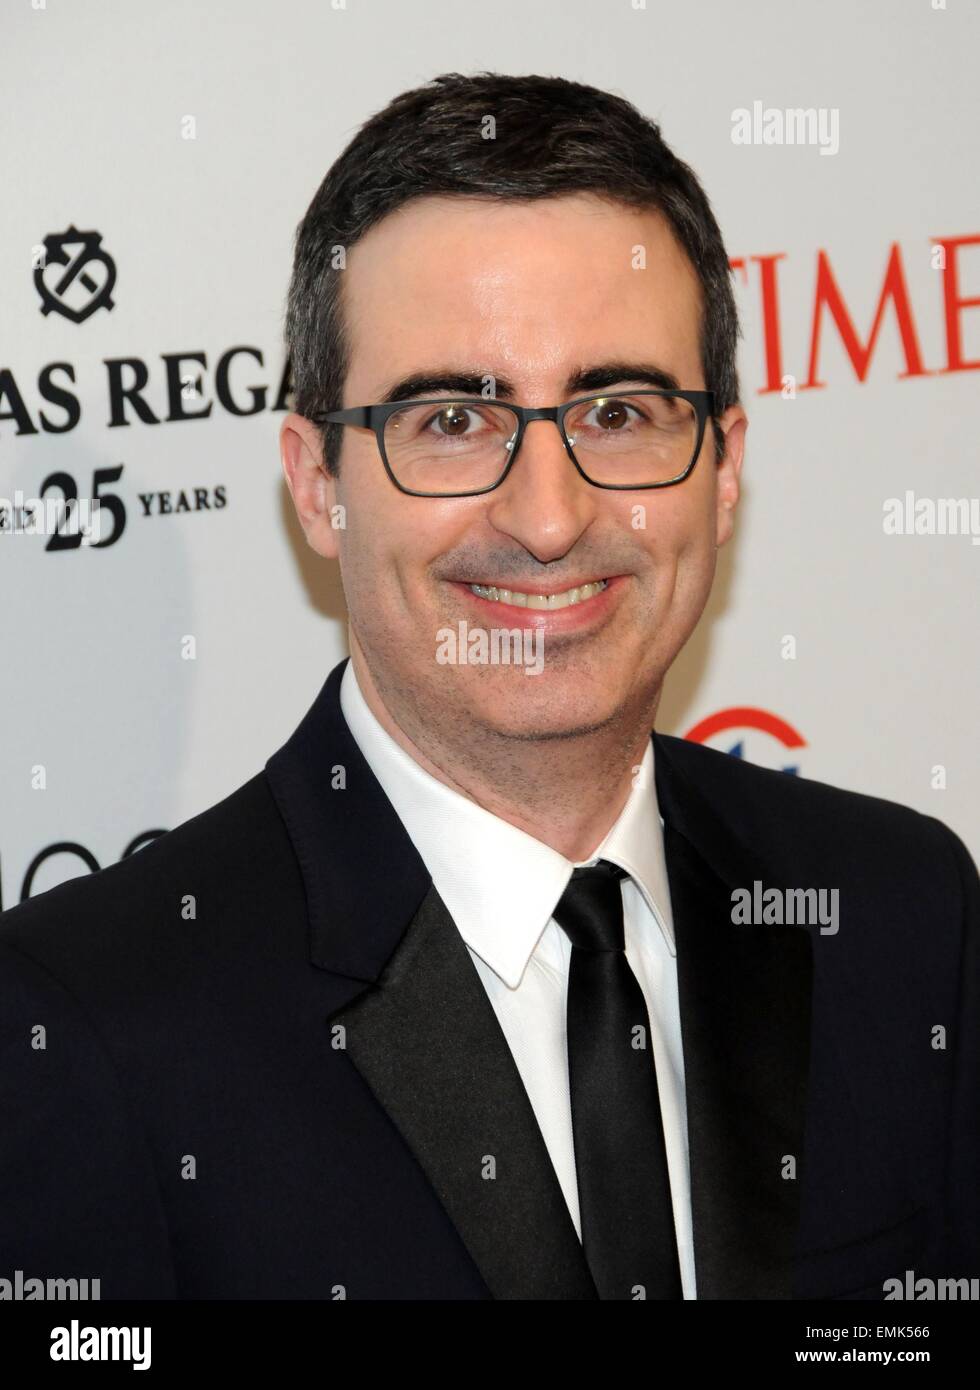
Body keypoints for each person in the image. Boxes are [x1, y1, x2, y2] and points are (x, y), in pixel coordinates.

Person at [1, 72, 977, 1302]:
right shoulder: (81, 1027)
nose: (549, 516)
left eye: (617, 410)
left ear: (722, 467)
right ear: (317, 483)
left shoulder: (896, 910)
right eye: (454, 420)